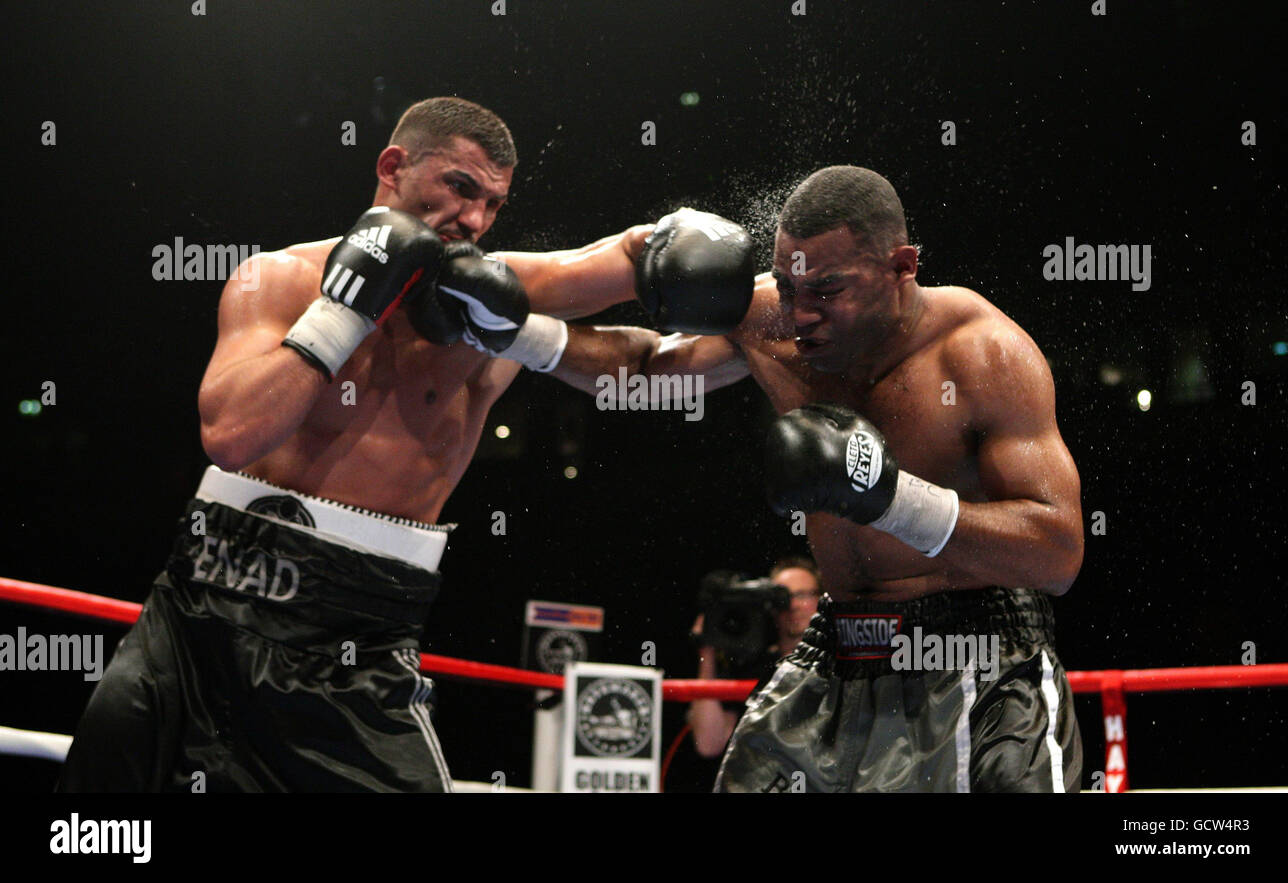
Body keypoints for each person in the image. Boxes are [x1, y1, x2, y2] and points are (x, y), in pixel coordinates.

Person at [56, 96, 754, 792]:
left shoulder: (497, 297)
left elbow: (628, 270)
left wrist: (684, 243)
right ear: (393, 165)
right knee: (95, 835)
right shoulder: (279, 280)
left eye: (494, 204)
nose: (475, 220)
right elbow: (232, 436)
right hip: (194, 616)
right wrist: (347, 307)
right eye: (460, 186)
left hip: (354, 643)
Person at [480, 165, 1085, 792]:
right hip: (838, 644)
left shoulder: (982, 353)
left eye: (827, 289)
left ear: (902, 266)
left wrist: (889, 497)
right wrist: (510, 330)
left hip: (975, 656)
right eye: (790, 284)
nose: (800, 314)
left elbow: (1058, 554)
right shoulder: (776, 316)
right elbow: (646, 371)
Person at [687, 557, 820, 758]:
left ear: (821, 598)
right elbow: (708, 744)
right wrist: (708, 650)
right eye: (782, 597)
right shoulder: (753, 668)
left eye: (802, 595)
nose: (793, 604)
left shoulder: (839, 664)